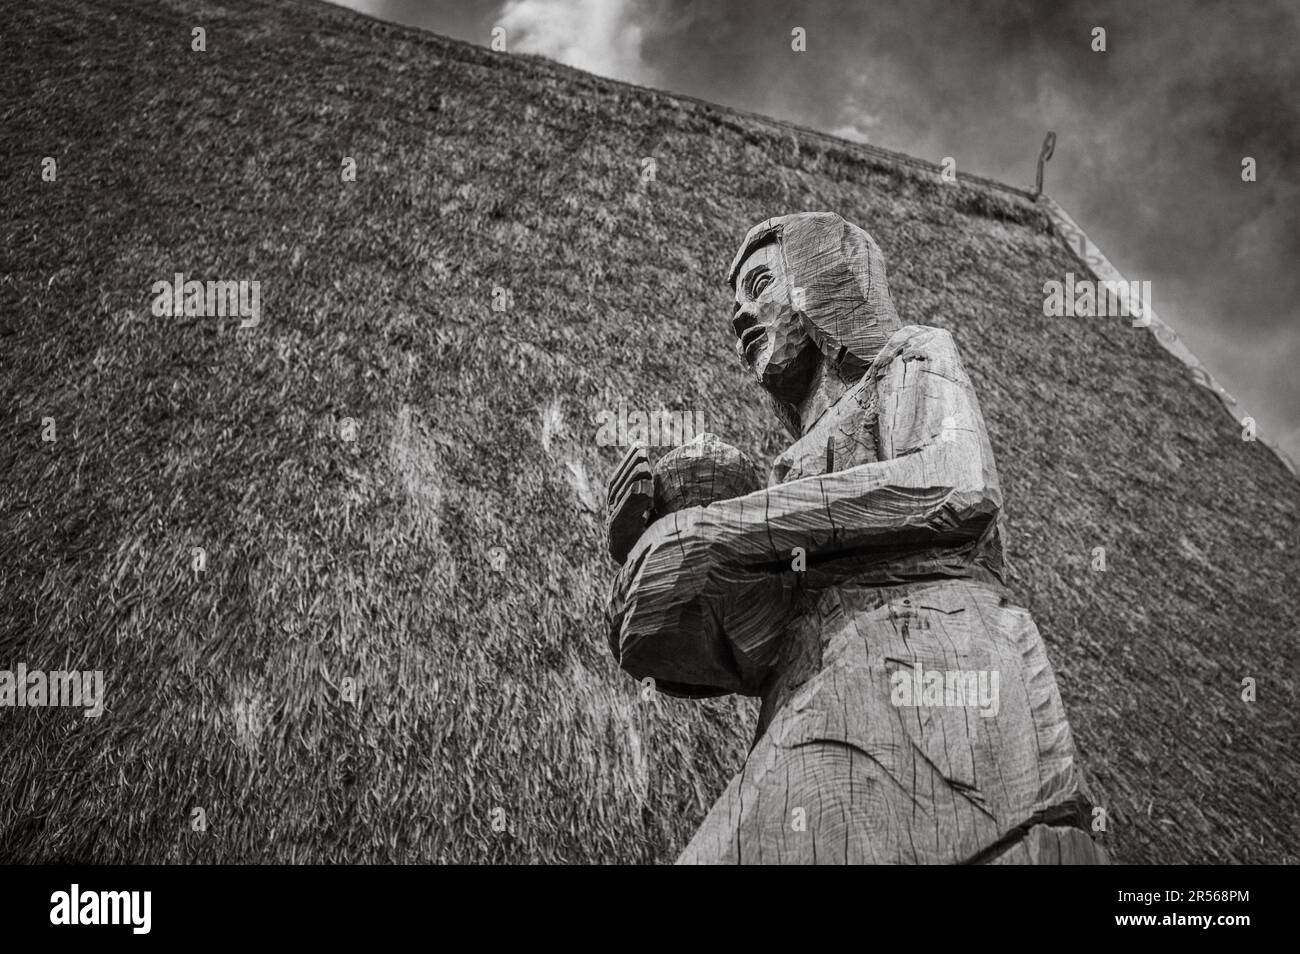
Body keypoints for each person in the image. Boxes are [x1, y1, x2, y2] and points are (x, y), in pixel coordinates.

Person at [605, 212, 1105, 864]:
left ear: (823, 278)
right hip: (815, 692)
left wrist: (726, 526)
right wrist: (666, 562)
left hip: (933, 662)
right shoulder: (793, 464)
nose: (739, 316)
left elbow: (955, 485)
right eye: (735, 303)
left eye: (760, 285)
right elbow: (757, 647)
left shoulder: (914, 356)